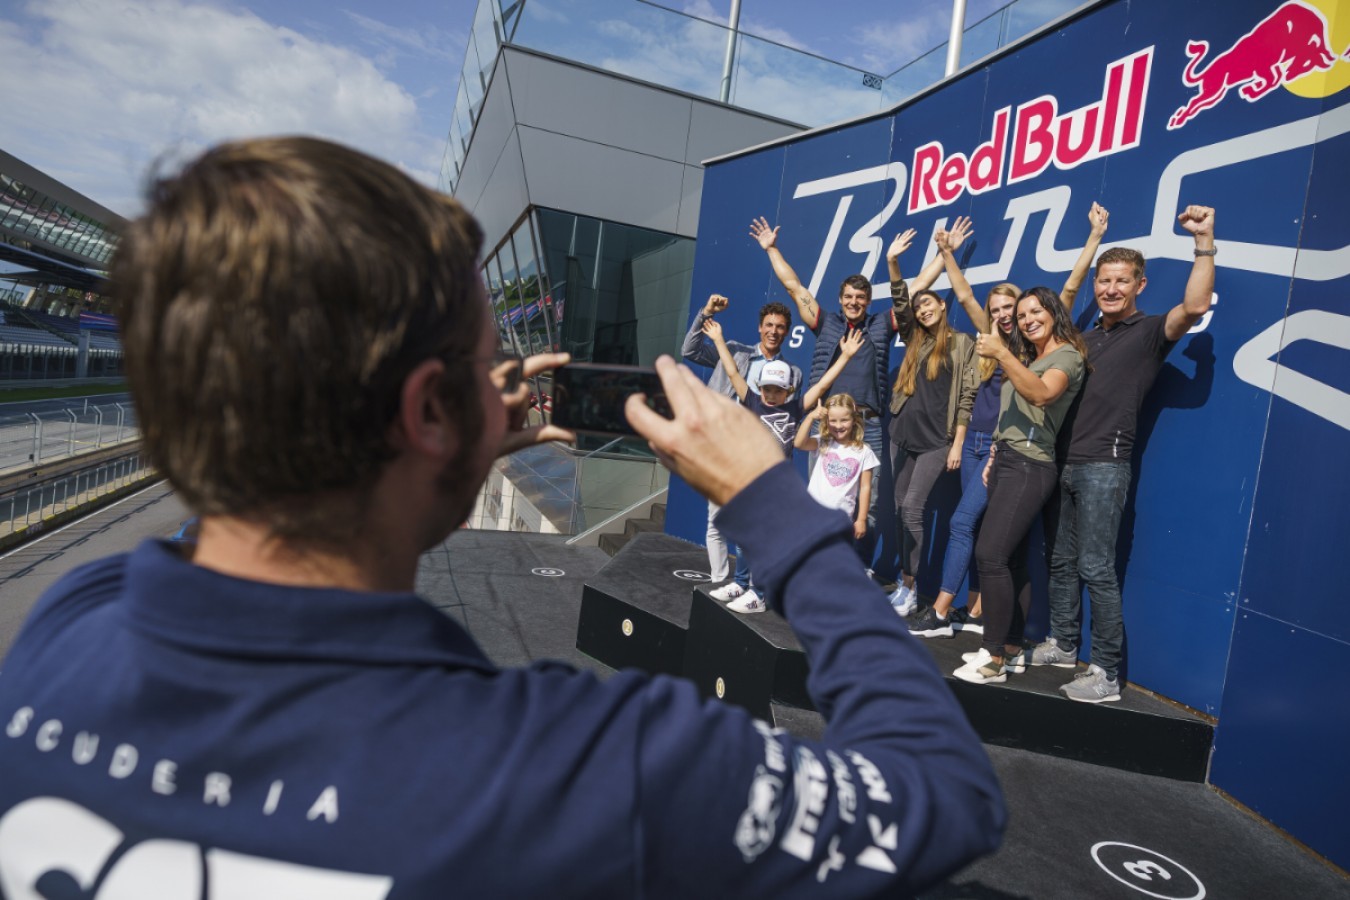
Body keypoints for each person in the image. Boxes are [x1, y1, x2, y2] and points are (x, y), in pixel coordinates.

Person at [0, 137, 1004, 895]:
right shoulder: (596, 767)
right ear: (427, 411)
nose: (504, 386)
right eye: (486, 367)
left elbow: (236, 517)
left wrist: (440, 441)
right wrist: (773, 507)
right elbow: (943, 790)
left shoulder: (70, 622)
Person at [1031, 205, 1217, 703]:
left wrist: (1204, 240)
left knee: (1095, 566)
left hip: (1104, 466)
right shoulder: (1085, 338)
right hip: (1063, 462)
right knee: (1062, 561)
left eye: (1121, 281)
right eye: (1104, 281)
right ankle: (1064, 644)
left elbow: (1194, 308)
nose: (1110, 289)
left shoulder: (1153, 332)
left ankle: (1107, 674)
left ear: (1140, 285)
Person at [909, 205, 1109, 639]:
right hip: (982, 442)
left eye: (1011, 307)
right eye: (996, 308)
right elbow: (962, 296)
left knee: (964, 524)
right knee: (979, 529)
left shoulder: (1033, 345)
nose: (1003, 314)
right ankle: (977, 613)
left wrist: (1094, 237)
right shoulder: (995, 337)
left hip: (1011, 449)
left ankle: (941, 612)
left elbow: (1072, 287)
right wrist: (946, 254)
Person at [749, 216, 944, 564]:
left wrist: (945, 254)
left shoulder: (882, 324)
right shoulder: (825, 322)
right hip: (827, 424)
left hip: (867, 425)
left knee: (866, 509)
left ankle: (856, 572)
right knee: (821, 505)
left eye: (861, 297)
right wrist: (772, 249)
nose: (854, 302)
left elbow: (914, 291)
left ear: (868, 301)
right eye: (849, 297)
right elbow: (794, 286)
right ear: (840, 299)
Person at [953, 288, 1087, 686]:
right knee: (1008, 560)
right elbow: (1013, 411)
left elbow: (1043, 395)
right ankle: (1010, 650)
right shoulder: (1034, 356)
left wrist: (1003, 354)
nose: (1027, 320)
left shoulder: (1068, 356)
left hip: (1032, 465)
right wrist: (995, 453)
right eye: (1022, 314)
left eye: (1035, 312)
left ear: (1054, 313)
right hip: (1008, 459)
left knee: (990, 554)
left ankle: (992, 657)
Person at [704, 319, 865, 613]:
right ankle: (741, 583)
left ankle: (759, 594)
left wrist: (845, 356)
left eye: (777, 390)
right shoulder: (752, 400)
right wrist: (718, 338)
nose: (771, 394)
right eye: (767, 388)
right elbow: (730, 370)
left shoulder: (795, 408)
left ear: (789, 389)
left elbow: (824, 383)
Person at [881, 228, 977, 618]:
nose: (922, 310)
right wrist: (893, 262)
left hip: (937, 440)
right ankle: (905, 585)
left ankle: (913, 584)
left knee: (914, 509)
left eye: (929, 304)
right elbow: (900, 303)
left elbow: (966, 395)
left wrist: (957, 442)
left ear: (942, 305)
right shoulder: (914, 338)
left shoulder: (961, 343)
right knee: (901, 506)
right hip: (901, 433)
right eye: (919, 308)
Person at [682, 293, 801, 591]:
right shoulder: (735, 351)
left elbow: (787, 424)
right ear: (760, 328)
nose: (774, 331)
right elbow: (689, 350)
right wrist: (705, 311)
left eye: (780, 326)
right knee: (717, 518)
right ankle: (720, 580)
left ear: (787, 332)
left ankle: (752, 585)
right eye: (769, 325)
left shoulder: (794, 374)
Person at [795, 393, 880, 562]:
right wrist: (811, 416)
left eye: (844, 420)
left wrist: (861, 519)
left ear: (854, 420)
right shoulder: (822, 442)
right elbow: (799, 443)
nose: (838, 425)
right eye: (832, 420)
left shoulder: (864, 452)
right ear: (826, 421)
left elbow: (865, 488)